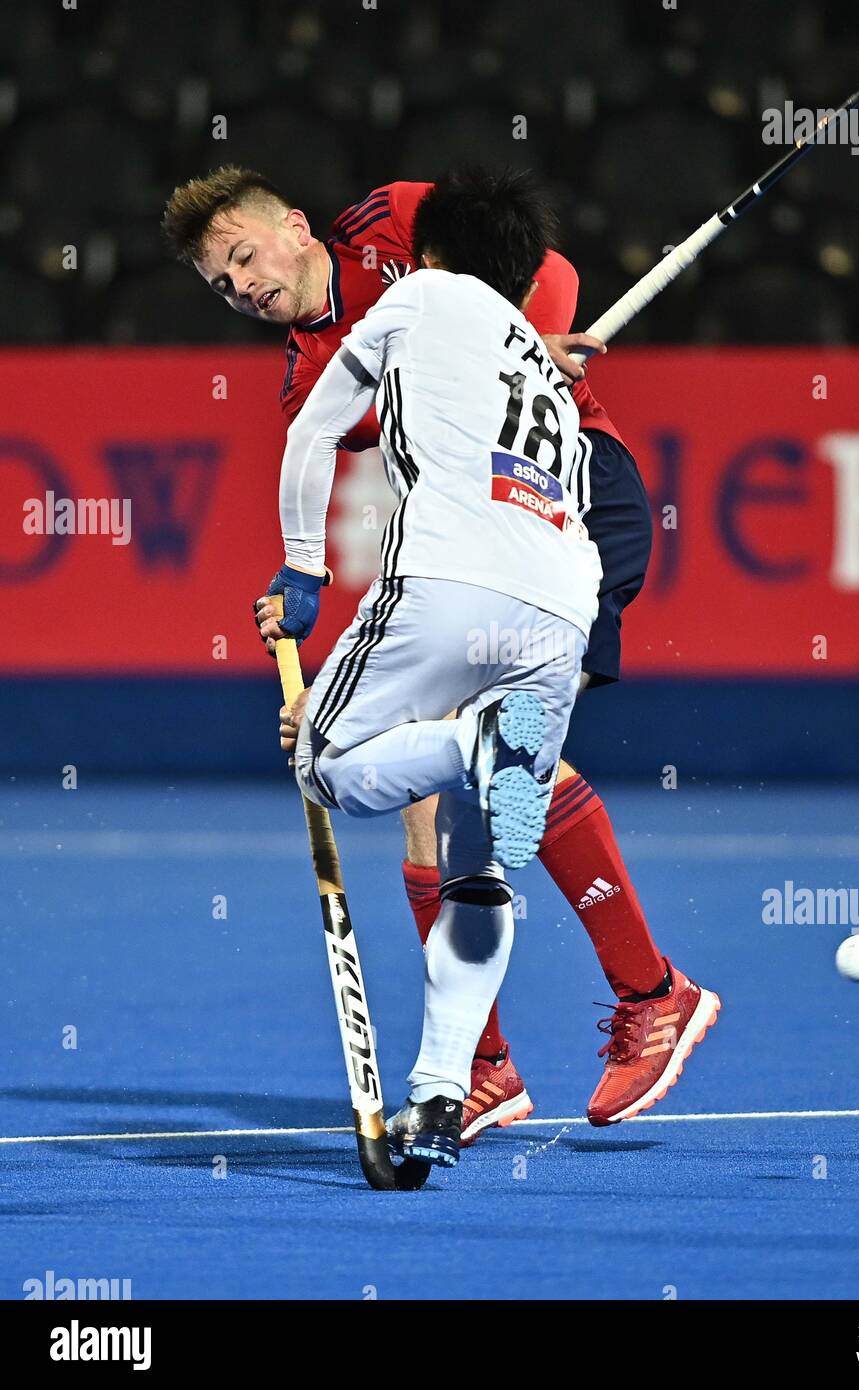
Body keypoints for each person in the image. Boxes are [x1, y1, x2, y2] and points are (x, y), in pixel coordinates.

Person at [161, 164, 720, 1140]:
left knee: (493, 759)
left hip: (571, 497)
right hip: (484, 541)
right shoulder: (311, 375)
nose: (242, 286)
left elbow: (545, 265)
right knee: (438, 802)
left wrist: (527, 341)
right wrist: (295, 580)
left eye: (244, 257)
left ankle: (650, 991)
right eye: (221, 284)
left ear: (296, 227)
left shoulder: (394, 220)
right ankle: (492, 1065)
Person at [253, 169, 601, 1165]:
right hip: (558, 607)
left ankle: (471, 743)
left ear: (430, 248)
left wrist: (304, 568)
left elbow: (317, 427)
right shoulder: (542, 367)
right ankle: (442, 1097)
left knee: (321, 757)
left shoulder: (412, 295)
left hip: (453, 576)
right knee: (480, 866)